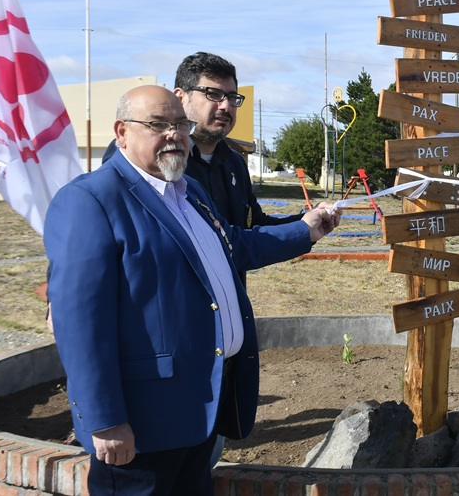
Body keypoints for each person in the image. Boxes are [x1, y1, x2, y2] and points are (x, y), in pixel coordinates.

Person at [45, 86, 340, 495]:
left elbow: (233, 246)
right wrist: (105, 420)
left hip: (200, 407)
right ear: (122, 132)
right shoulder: (90, 200)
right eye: (158, 125)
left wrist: (306, 230)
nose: (174, 135)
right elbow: (79, 323)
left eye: (181, 125)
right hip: (142, 424)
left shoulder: (189, 191)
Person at [104, 51, 299, 288]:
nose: (225, 106)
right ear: (180, 97)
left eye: (232, 97)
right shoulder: (148, 160)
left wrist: (306, 222)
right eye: (213, 94)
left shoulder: (235, 163)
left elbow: (251, 227)